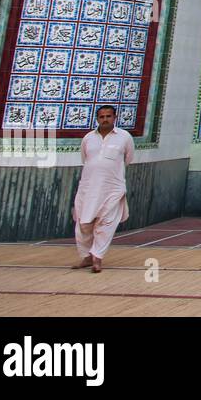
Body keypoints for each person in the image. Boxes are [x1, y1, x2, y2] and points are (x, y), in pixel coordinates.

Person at [72, 105, 134, 274]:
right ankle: (86, 256)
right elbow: (85, 159)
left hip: (112, 188)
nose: (105, 119)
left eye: (108, 116)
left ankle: (97, 257)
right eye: (101, 117)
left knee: (106, 223)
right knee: (84, 223)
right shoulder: (88, 138)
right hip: (88, 187)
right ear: (97, 119)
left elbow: (128, 158)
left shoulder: (124, 137)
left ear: (115, 117)